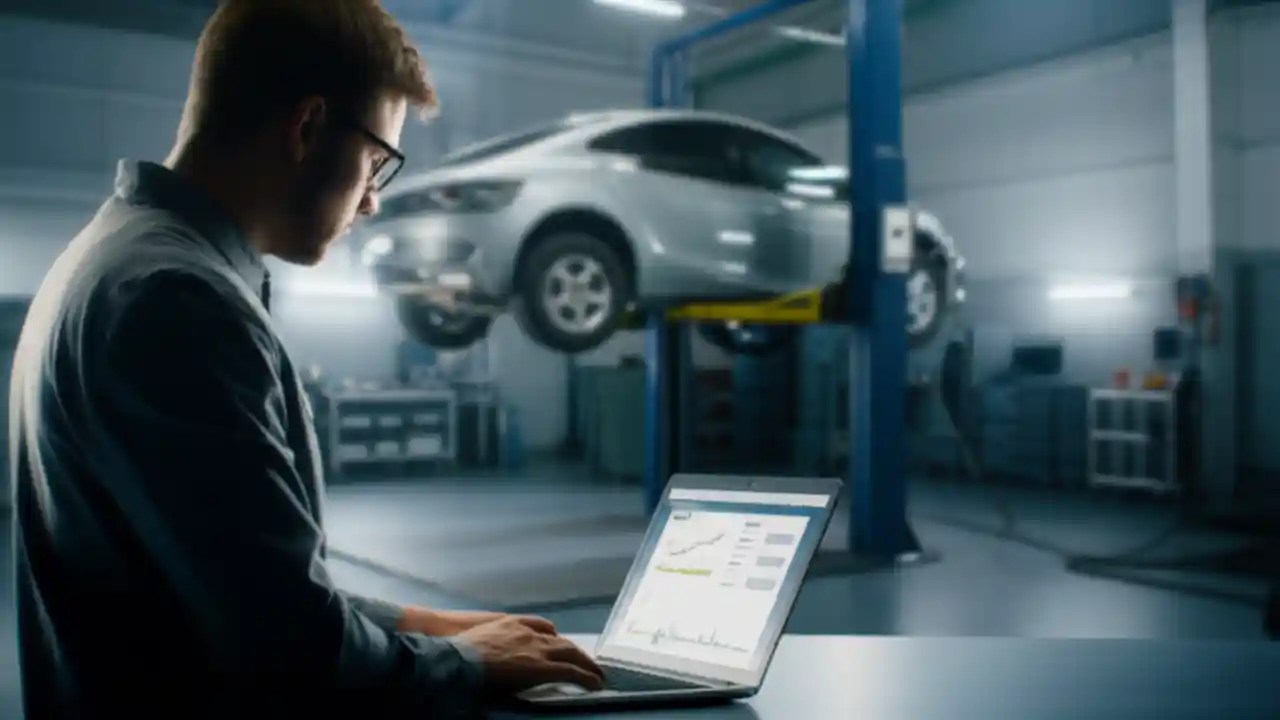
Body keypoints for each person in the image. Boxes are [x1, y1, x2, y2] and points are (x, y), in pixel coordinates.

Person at [8, 1, 604, 717]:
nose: (372, 202)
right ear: (309, 126)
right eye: (376, 161)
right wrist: (468, 664)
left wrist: (428, 625)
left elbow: (245, 586)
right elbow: (294, 656)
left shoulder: (112, 258)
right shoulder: (176, 301)